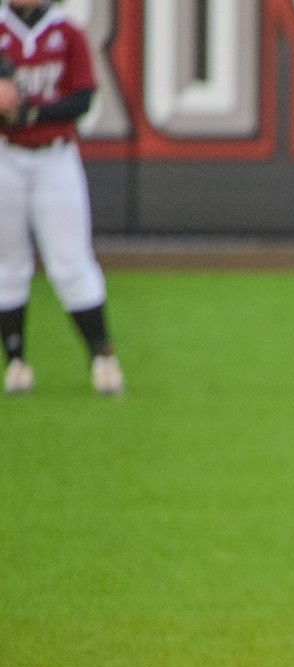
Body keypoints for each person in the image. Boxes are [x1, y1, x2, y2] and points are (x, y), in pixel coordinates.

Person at [0, 0, 123, 396]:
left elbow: (82, 100)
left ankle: (101, 357)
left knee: (71, 262)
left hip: (55, 156)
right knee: (7, 263)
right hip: (6, 156)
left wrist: (29, 113)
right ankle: (16, 361)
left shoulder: (65, 32)